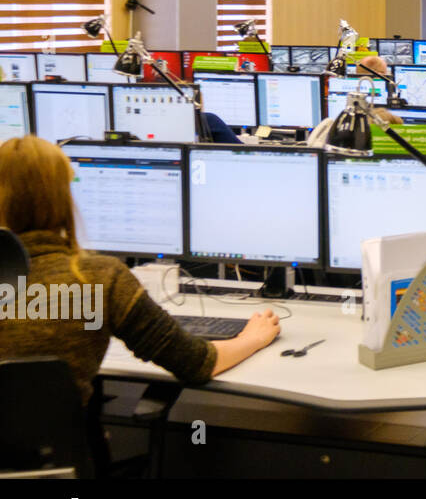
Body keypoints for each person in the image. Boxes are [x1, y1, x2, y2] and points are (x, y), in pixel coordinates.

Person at [0, 136, 281, 408]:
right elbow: (197, 363)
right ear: (63, 200)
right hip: (58, 454)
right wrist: (252, 338)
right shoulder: (97, 279)